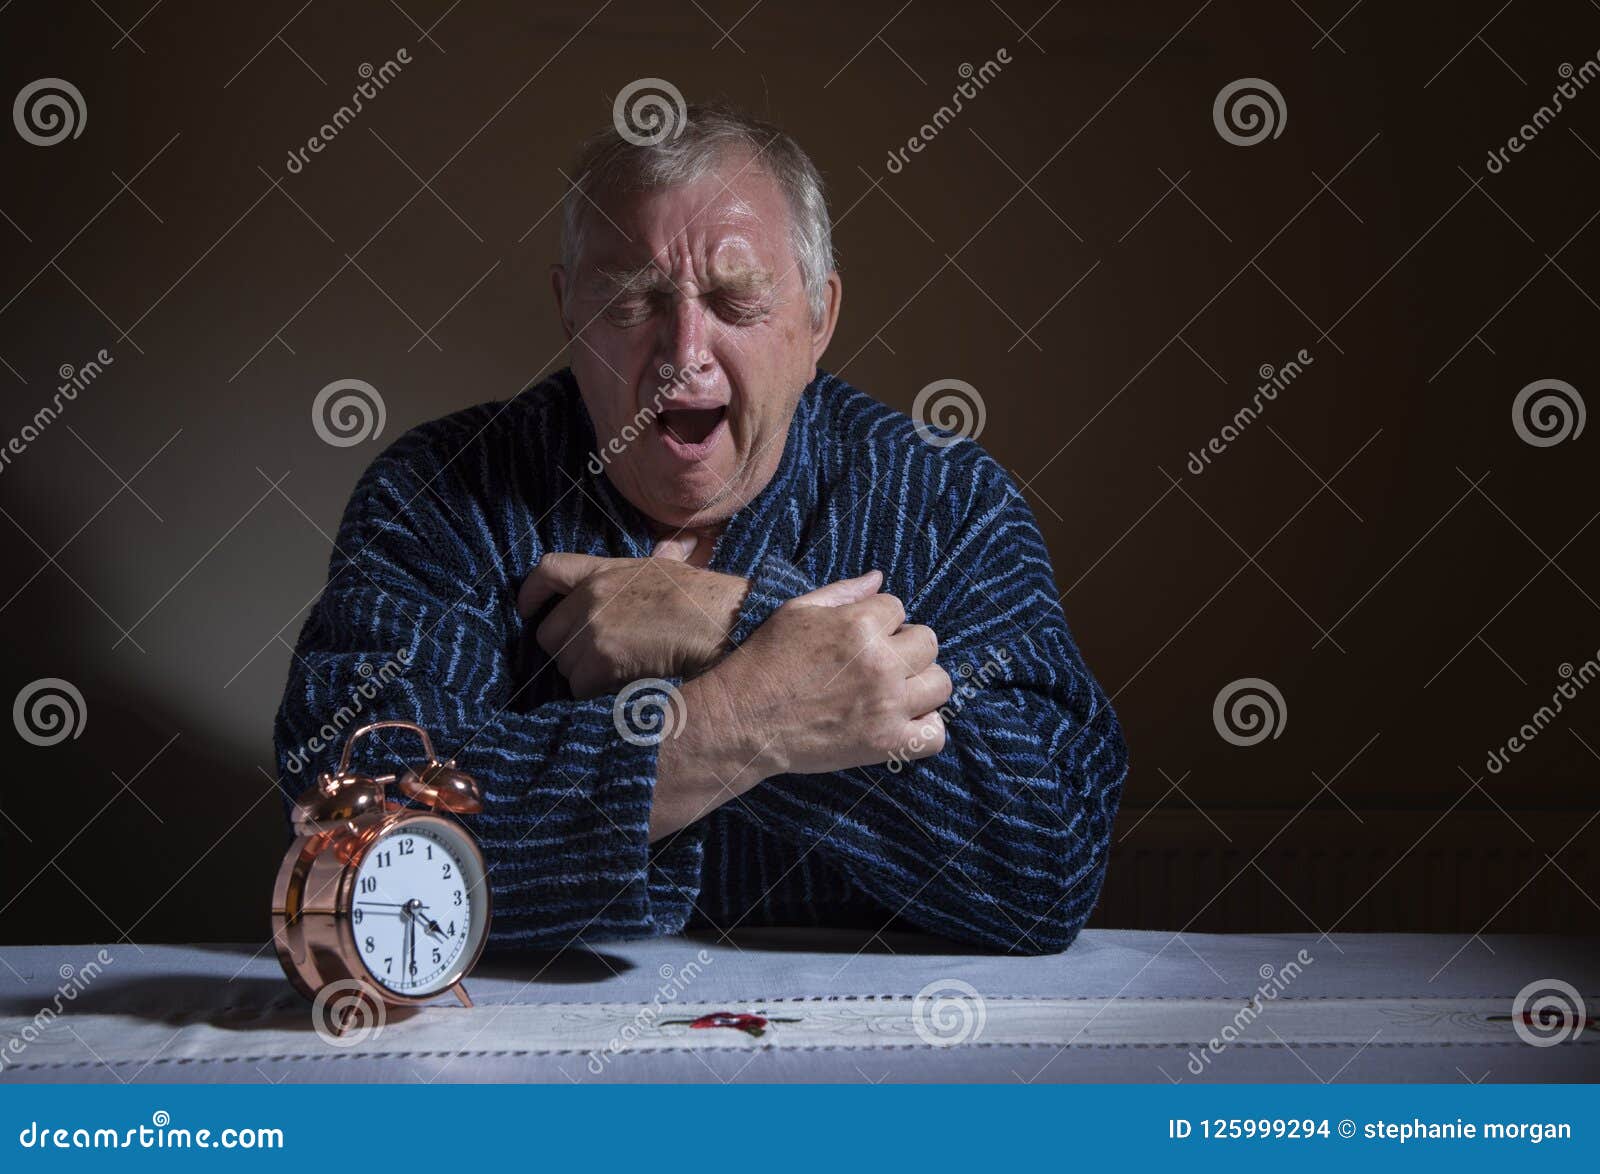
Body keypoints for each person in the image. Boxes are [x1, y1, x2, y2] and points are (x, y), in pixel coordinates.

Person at [274, 102, 1127, 956]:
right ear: (570, 310)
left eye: (736, 301)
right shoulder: (439, 489)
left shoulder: (949, 500)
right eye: (632, 299)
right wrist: (736, 722)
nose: (685, 352)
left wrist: (719, 622)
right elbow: (353, 834)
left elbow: (1049, 864)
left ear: (818, 318)